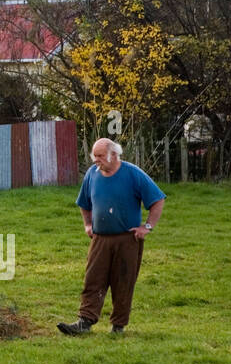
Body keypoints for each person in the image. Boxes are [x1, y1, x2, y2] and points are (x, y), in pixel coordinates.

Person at [58, 137, 165, 335]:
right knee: (93, 279)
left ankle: (118, 326)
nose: (95, 160)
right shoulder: (91, 174)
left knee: (123, 282)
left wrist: (147, 226)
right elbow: (84, 203)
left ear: (114, 155)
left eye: (100, 156)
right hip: (100, 239)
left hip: (127, 239)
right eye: (94, 155)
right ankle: (84, 322)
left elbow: (157, 200)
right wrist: (88, 224)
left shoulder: (133, 174)